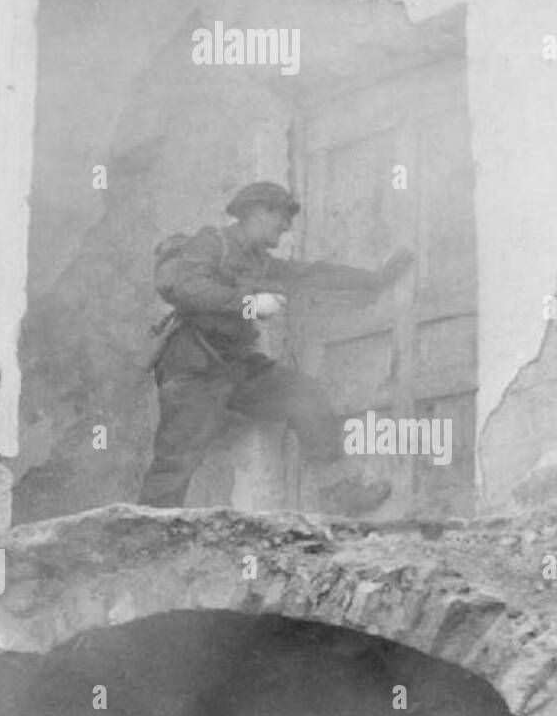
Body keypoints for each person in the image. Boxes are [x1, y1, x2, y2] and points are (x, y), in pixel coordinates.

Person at [141, 181, 413, 515]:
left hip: (233, 366)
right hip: (192, 367)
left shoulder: (261, 263)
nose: (286, 226)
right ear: (258, 211)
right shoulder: (211, 242)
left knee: (305, 396)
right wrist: (251, 304)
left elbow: (312, 275)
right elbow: (188, 288)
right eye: (281, 217)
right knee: (176, 463)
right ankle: (141, 539)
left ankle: (339, 492)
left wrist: (374, 280)